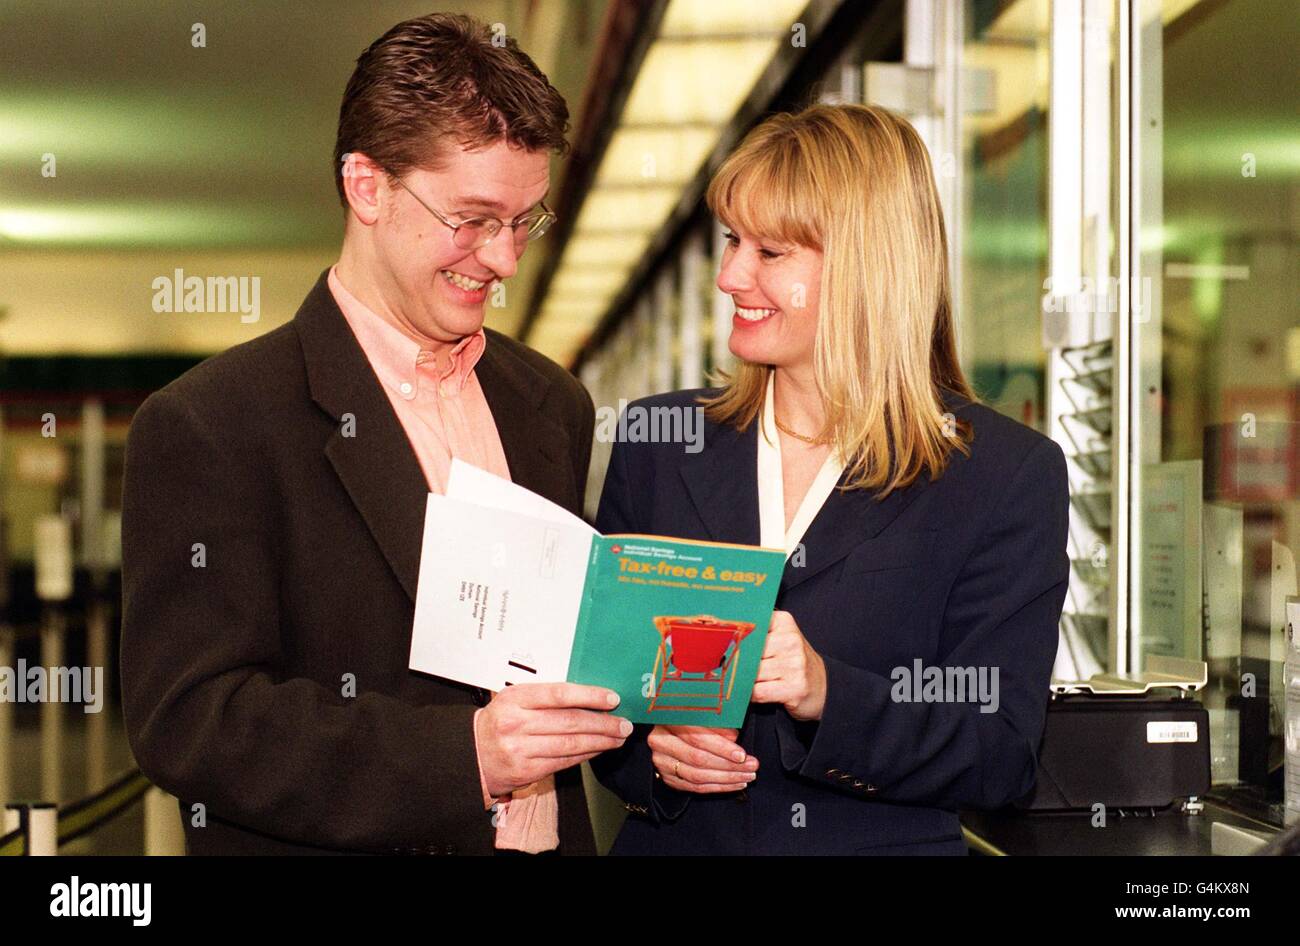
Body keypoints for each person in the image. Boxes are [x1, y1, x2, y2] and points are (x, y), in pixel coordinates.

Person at [120, 12, 628, 856]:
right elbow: (192, 720)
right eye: (472, 218)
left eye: (524, 221)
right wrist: (463, 757)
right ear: (367, 186)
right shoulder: (212, 425)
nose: (502, 259)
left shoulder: (550, 404)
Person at [590, 103, 1070, 855]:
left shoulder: (1001, 478)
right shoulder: (660, 445)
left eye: (770, 252)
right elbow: (599, 696)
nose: (729, 277)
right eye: (730, 241)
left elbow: (1002, 753)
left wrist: (828, 695)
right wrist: (651, 753)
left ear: (866, 268)